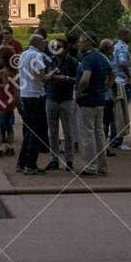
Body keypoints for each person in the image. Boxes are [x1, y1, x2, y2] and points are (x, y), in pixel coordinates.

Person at [75, 32, 112, 176]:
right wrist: (105, 88)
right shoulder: (103, 57)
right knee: (99, 133)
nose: (79, 44)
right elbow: (111, 75)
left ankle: (90, 166)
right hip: (99, 99)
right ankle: (102, 165)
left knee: (88, 134)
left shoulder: (88, 59)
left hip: (87, 100)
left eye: (81, 41)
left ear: (88, 42)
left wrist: (78, 92)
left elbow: (85, 79)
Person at [16, 32, 51, 175]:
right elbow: (43, 78)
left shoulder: (24, 54)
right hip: (36, 96)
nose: (45, 44)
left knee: (29, 131)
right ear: (37, 43)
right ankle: (30, 165)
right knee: (36, 132)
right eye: (43, 42)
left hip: (25, 95)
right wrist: (52, 74)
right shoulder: (37, 56)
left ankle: (22, 163)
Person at [44, 34, 78, 172]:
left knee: (68, 131)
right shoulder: (49, 61)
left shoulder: (73, 62)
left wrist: (66, 78)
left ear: (65, 49)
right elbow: (44, 77)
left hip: (66, 99)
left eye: (58, 47)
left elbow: (78, 79)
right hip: (51, 97)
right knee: (52, 132)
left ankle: (69, 160)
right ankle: (54, 159)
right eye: (54, 47)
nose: (55, 49)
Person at [0, 43, 19, 155]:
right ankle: (10, 147)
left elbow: (5, 86)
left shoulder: (5, 72)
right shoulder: (14, 71)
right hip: (11, 101)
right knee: (9, 125)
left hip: (3, 100)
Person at [110, 27, 131, 151]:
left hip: (116, 81)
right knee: (121, 112)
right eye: (130, 34)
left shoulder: (115, 46)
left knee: (116, 112)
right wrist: (130, 76)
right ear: (124, 35)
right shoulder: (123, 47)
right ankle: (117, 140)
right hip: (122, 82)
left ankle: (115, 138)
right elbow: (123, 62)